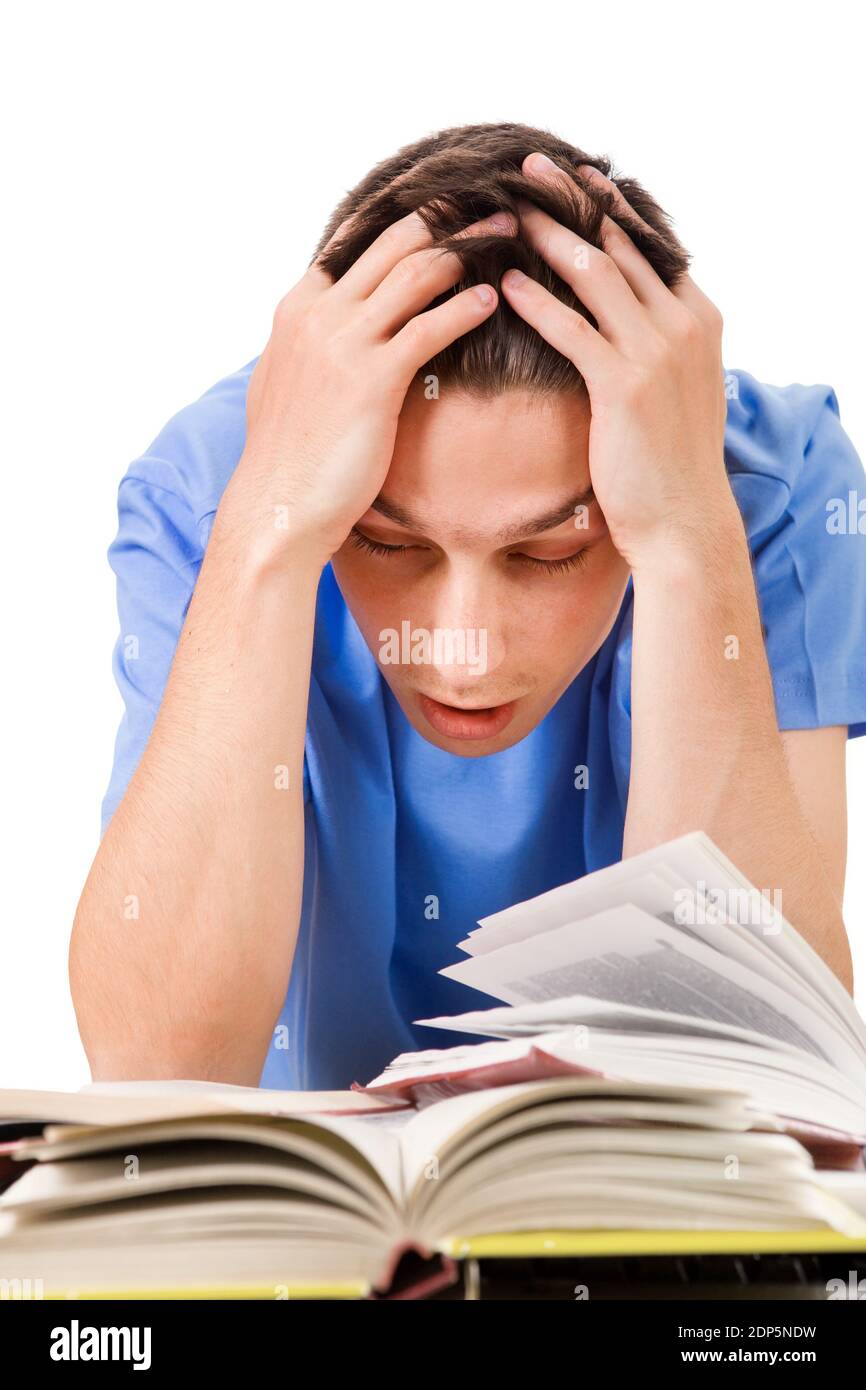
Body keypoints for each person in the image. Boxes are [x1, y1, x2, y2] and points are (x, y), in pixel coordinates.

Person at [70, 122, 866, 1090]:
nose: (462, 654)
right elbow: (156, 1073)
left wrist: (686, 534)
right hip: (310, 1211)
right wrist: (268, 538)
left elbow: (763, 1076)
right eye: (388, 543)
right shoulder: (211, 487)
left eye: (548, 551)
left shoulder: (768, 488)